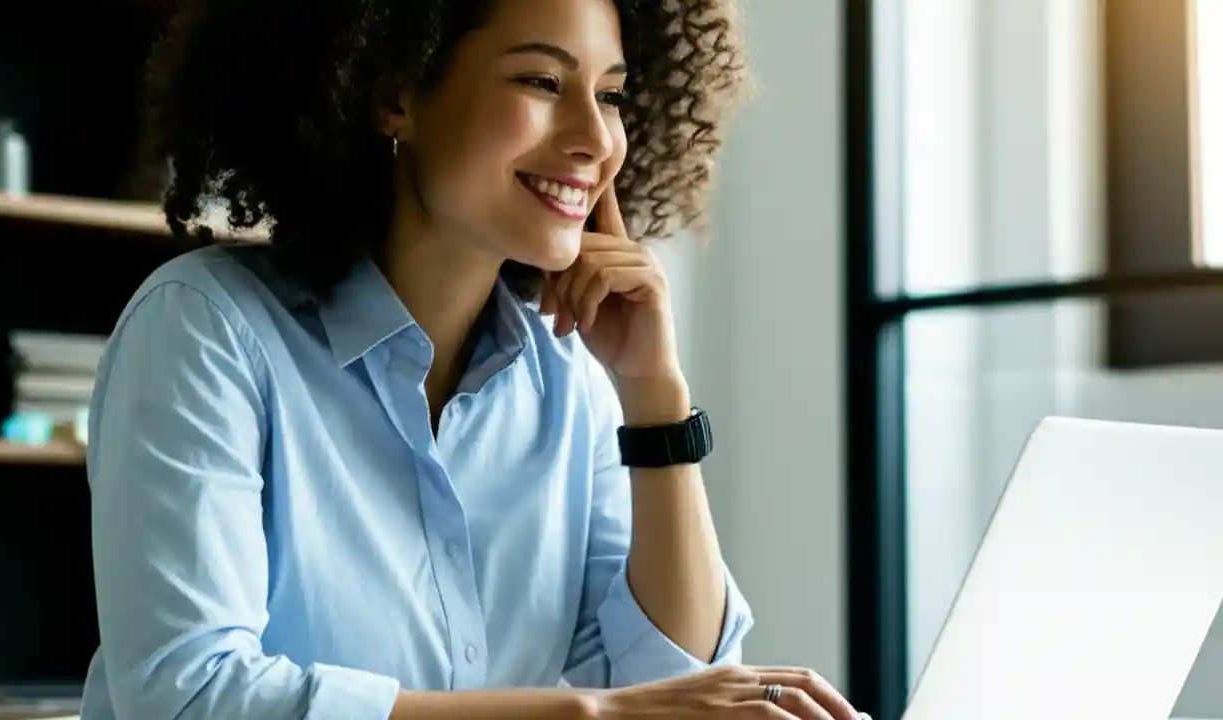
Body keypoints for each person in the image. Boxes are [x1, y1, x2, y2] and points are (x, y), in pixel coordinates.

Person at [78, 0, 864, 718]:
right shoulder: (206, 328)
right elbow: (187, 697)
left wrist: (654, 395)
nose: (596, 138)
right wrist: (591, 717)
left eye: (613, 95)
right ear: (397, 94)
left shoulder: (571, 381)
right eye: (542, 80)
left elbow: (676, 677)